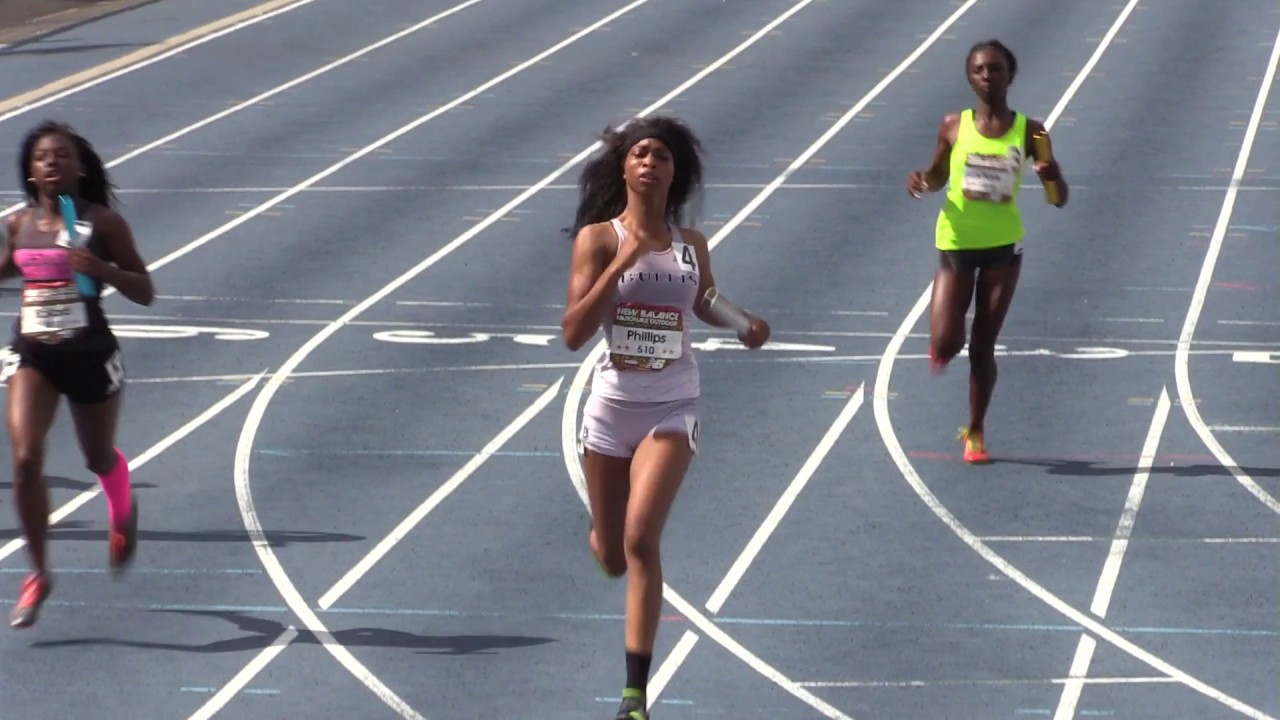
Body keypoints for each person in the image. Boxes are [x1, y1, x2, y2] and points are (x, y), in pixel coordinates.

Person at [561, 116, 770, 719]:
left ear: (675, 174)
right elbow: (574, 333)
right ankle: (602, 539)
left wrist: (741, 323)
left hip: (674, 404)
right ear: (624, 168)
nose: (651, 163)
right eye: (642, 154)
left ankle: (633, 696)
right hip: (610, 408)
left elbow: (702, 297)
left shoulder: (690, 245)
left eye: (663, 157)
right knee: (610, 554)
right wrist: (619, 261)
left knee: (641, 539)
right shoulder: (597, 240)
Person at [1, 120, 154, 629]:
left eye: (62, 155)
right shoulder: (17, 224)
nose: (52, 162)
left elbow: (145, 290)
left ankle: (120, 500)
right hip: (34, 355)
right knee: (25, 459)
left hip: (88, 352)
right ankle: (38, 573)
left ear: (79, 166)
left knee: (96, 456)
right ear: (30, 170)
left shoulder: (102, 223)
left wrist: (99, 268)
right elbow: (7, 268)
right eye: (42, 156)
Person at [906, 39, 1067, 464]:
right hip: (956, 244)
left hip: (1002, 248)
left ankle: (975, 432)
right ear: (969, 77)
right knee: (946, 342)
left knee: (982, 346)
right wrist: (921, 180)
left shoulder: (1032, 132)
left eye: (995, 69)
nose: (987, 76)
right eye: (979, 69)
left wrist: (1053, 174)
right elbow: (938, 176)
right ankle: (942, 347)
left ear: (1009, 75)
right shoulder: (953, 127)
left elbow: (1058, 199)